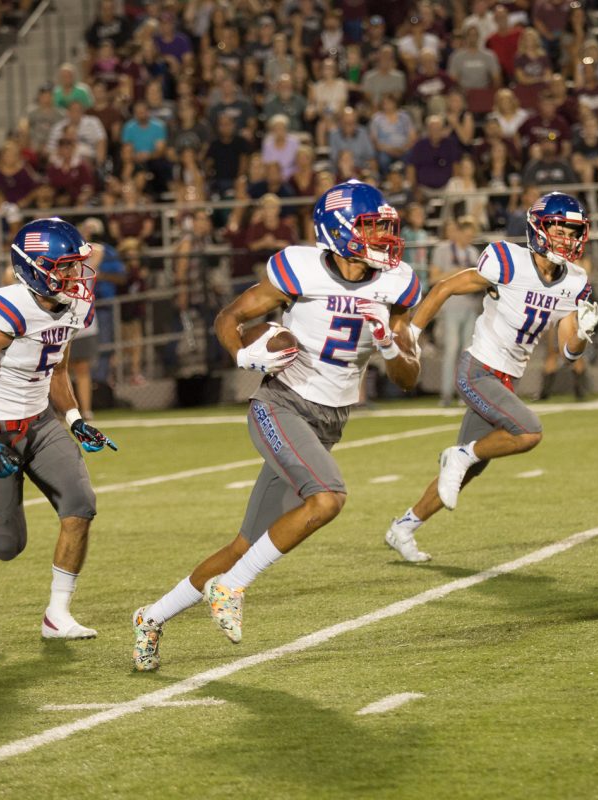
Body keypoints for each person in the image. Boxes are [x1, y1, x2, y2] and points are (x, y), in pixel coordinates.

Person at [130, 181, 422, 670]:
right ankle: (232, 587)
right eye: (371, 227)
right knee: (327, 498)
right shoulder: (300, 268)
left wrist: (389, 343)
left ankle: (151, 617)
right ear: (338, 231)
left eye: (385, 227)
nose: (383, 237)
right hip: (281, 405)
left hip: (329, 420)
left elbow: (408, 377)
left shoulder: (397, 283)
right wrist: (241, 354)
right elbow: (230, 316)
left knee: (245, 544)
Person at [382, 193, 598, 563]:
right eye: (559, 231)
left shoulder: (575, 282)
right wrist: (413, 335)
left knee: (469, 469)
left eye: (572, 233)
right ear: (538, 229)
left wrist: (582, 333)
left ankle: (403, 527)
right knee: (528, 432)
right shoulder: (509, 261)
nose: (566, 240)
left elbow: (568, 353)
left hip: (505, 380)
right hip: (478, 369)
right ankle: (457, 455)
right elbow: (445, 287)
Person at [0, 218, 119, 638]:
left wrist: (75, 419)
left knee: (81, 505)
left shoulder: (77, 303)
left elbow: (57, 367)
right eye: (66, 266)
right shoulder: (8, 309)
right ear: (35, 269)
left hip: (41, 423)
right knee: (7, 546)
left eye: (76, 264)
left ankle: (57, 615)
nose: (76, 274)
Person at [430, 217, 483, 406]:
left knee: (467, 352)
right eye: (466, 235)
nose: (469, 239)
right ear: (458, 232)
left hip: (470, 306)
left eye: (471, 236)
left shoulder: (473, 252)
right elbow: (433, 278)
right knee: (451, 350)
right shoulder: (442, 250)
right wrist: (458, 272)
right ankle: (446, 394)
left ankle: (464, 394)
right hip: (451, 306)